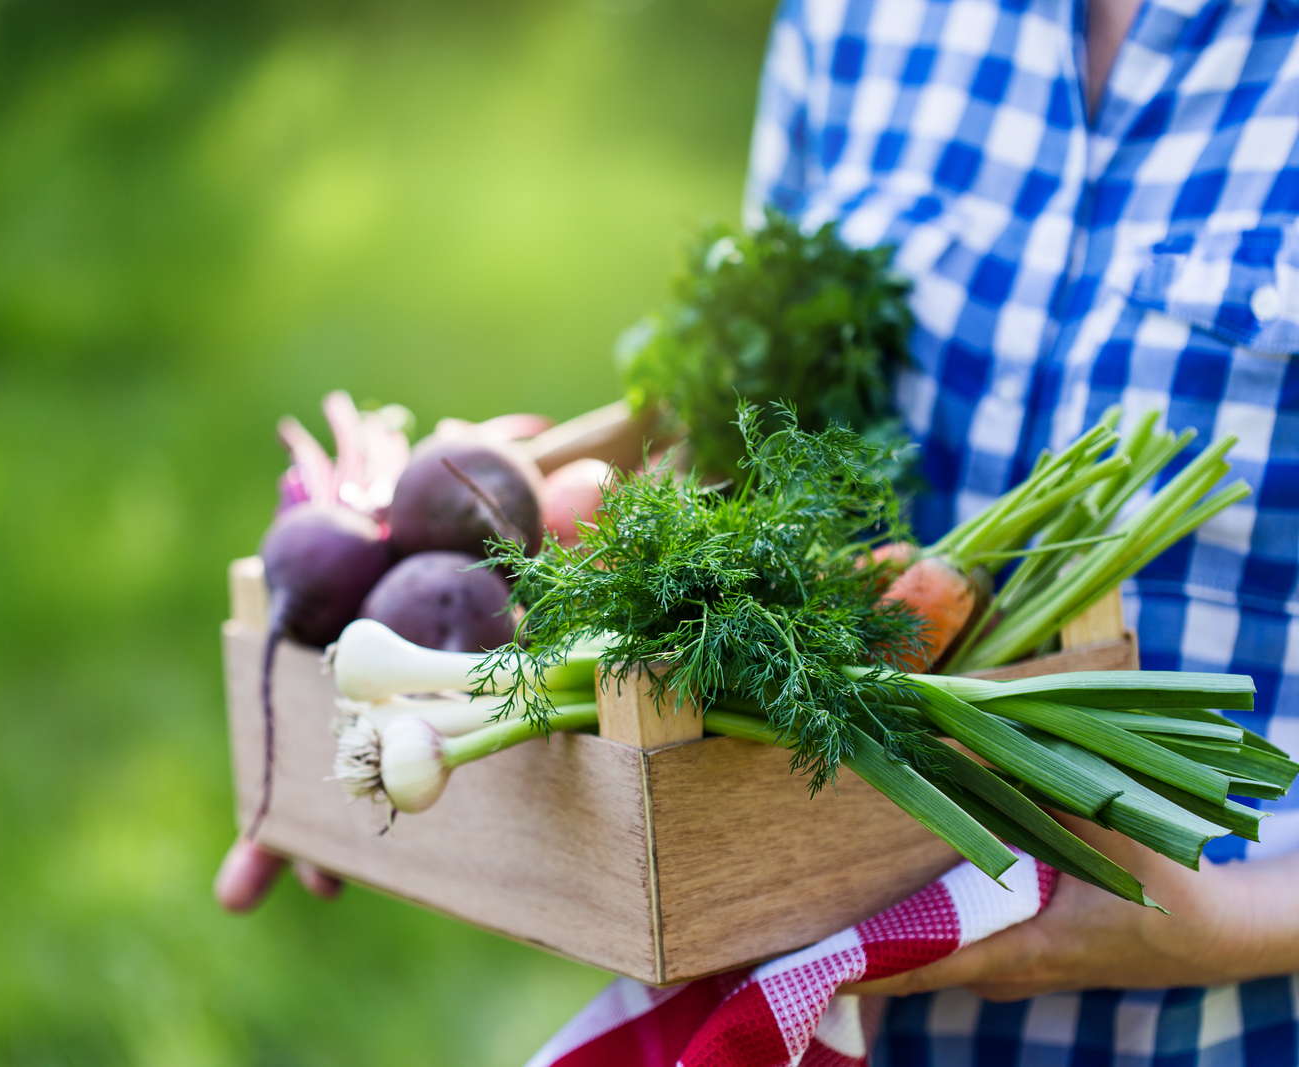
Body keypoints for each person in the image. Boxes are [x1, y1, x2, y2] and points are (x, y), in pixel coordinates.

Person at [220, 0, 1299, 1056]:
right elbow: (743, 414)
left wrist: (1228, 924)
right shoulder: (851, 17)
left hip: (1207, 1025)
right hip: (816, 962)